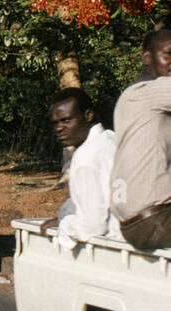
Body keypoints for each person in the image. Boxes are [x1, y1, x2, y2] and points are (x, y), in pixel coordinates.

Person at [110, 29, 171, 250]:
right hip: (155, 220)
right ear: (147, 58)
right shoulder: (152, 91)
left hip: (133, 222)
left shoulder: (129, 97)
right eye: (168, 54)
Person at [40, 89, 119, 249]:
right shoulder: (111, 138)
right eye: (55, 123)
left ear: (88, 115)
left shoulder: (86, 157)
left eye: (66, 120)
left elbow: (92, 226)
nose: (59, 128)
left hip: (114, 245)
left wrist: (66, 224)